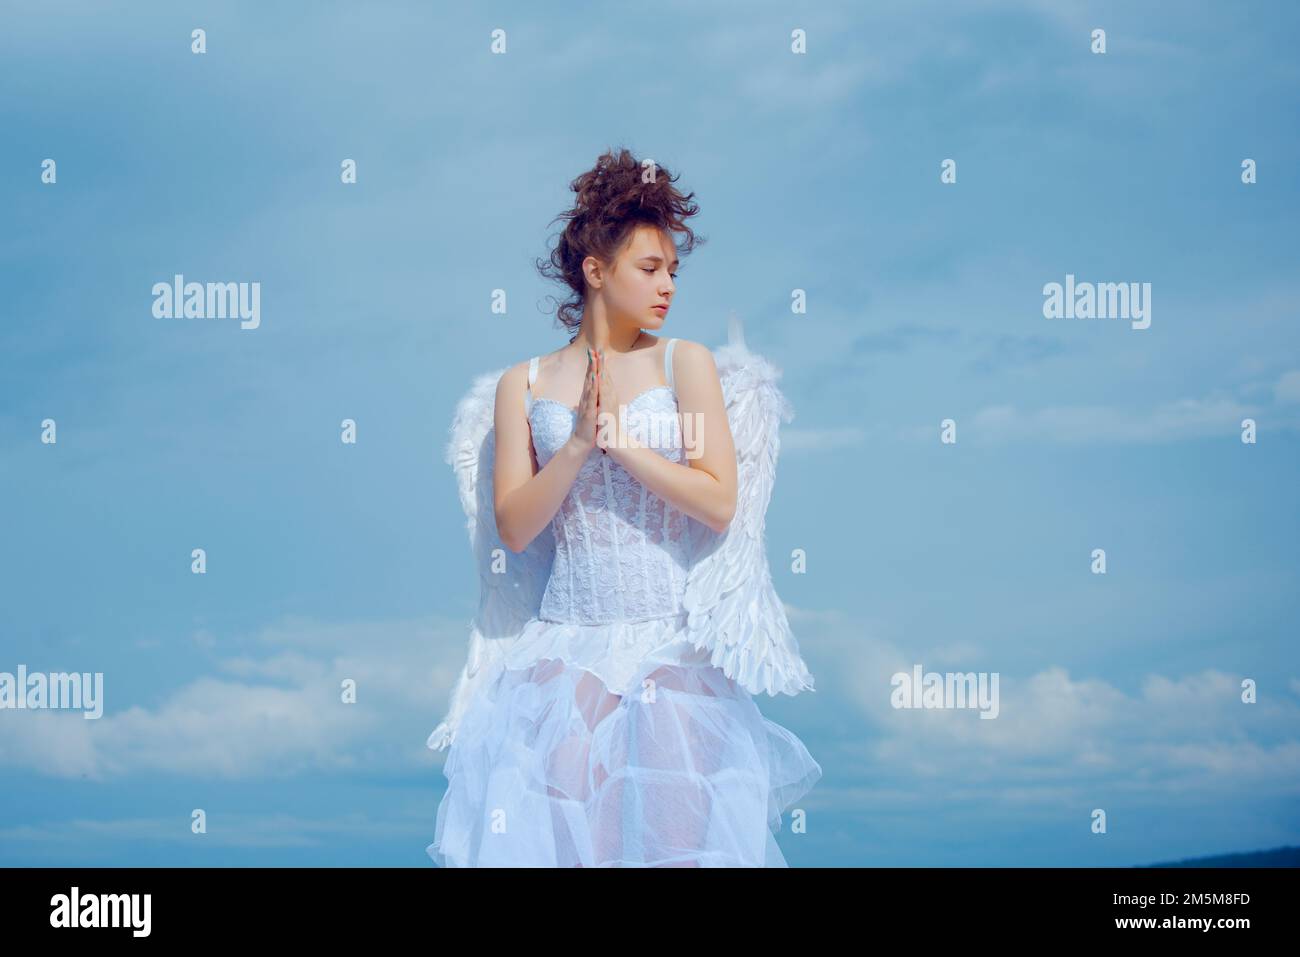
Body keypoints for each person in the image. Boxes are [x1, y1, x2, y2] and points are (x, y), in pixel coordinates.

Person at [428, 147, 821, 866]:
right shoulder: (523, 382)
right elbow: (515, 526)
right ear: (596, 270)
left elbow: (719, 499)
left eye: (674, 269)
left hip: (670, 657)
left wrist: (625, 445)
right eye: (650, 268)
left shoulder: (684, 363)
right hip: (559, 661)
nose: (668, 284)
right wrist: (578, 442)